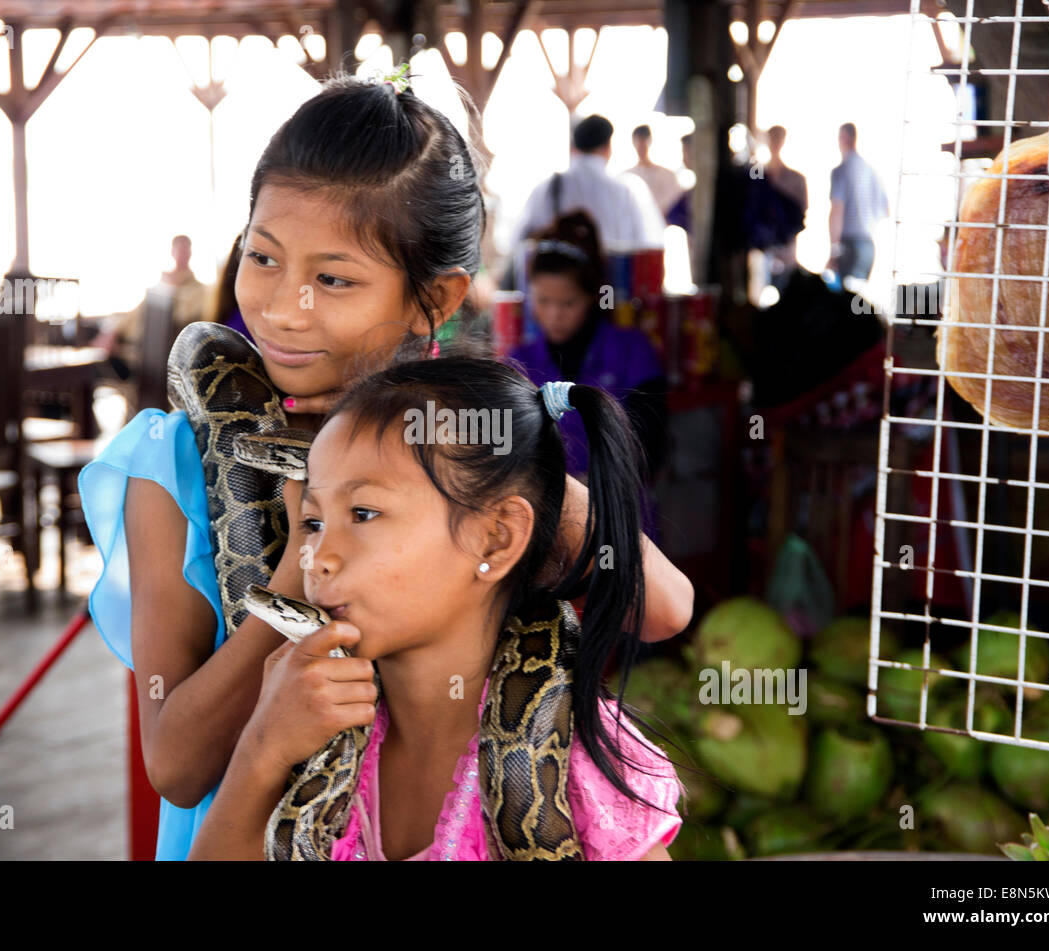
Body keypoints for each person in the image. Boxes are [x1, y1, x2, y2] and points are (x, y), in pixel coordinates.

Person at [77, 70, 695, 861]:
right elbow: (178, 763)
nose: (281, 306)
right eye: (263, 258)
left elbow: (664, 604)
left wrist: (489, 469)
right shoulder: (171, 458)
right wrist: (308, 569)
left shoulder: (452, 444)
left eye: (333, 278)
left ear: (435, 298)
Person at [190, 356, 684, 860]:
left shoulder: (583, 766)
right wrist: (262, 748)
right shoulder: (307, 726)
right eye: (313, 522)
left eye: (363, 513)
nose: (316, 558)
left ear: (496, 540)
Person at [507, 211, 667, 538]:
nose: (553, 315)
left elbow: (650, 443)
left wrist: (589, 485)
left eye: (567, 303)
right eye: (543, 301)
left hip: (621, 523)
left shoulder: (632, 351)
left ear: (593, 296)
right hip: (544, 530)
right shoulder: (517, 363)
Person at [513, 114, 667, 255]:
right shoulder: (626, 191)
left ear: (576, 147)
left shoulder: (548, 187)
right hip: (610, 284)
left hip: (557, 282)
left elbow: (519, 241)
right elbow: (648, 244)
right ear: (608, 147)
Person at [93, 234, 211, 379]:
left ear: (190, 253)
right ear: (172, 252)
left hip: (152, 359)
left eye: (185, 250)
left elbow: (181, 321)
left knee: (96, 367)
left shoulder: (200, 292)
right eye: (178, 250)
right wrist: (112, 331)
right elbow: (134, 313)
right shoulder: (161, 287)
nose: (181, 255)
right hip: (129, 348)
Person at [827, 122, 888, 285]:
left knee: (843, 303)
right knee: (857, 301)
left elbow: (837, 211)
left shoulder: (841, 171)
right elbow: (885, 210)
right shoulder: (871, 171)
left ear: (844, 138)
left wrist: (834, 251)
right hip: (867, 245)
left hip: (848, 245)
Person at [761, 124, 808, 288]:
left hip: (786, 252)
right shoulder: (757, 177)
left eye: (778, 139)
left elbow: (801, 215)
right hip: (761, 252)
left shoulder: (795, 179)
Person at [627, 124, 682, 219]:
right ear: (633, 143)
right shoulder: (628, 176)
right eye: (638, 141)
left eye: (643, 141)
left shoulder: (667, 175)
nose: (641, 146)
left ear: (649, 141)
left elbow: (674, 203)